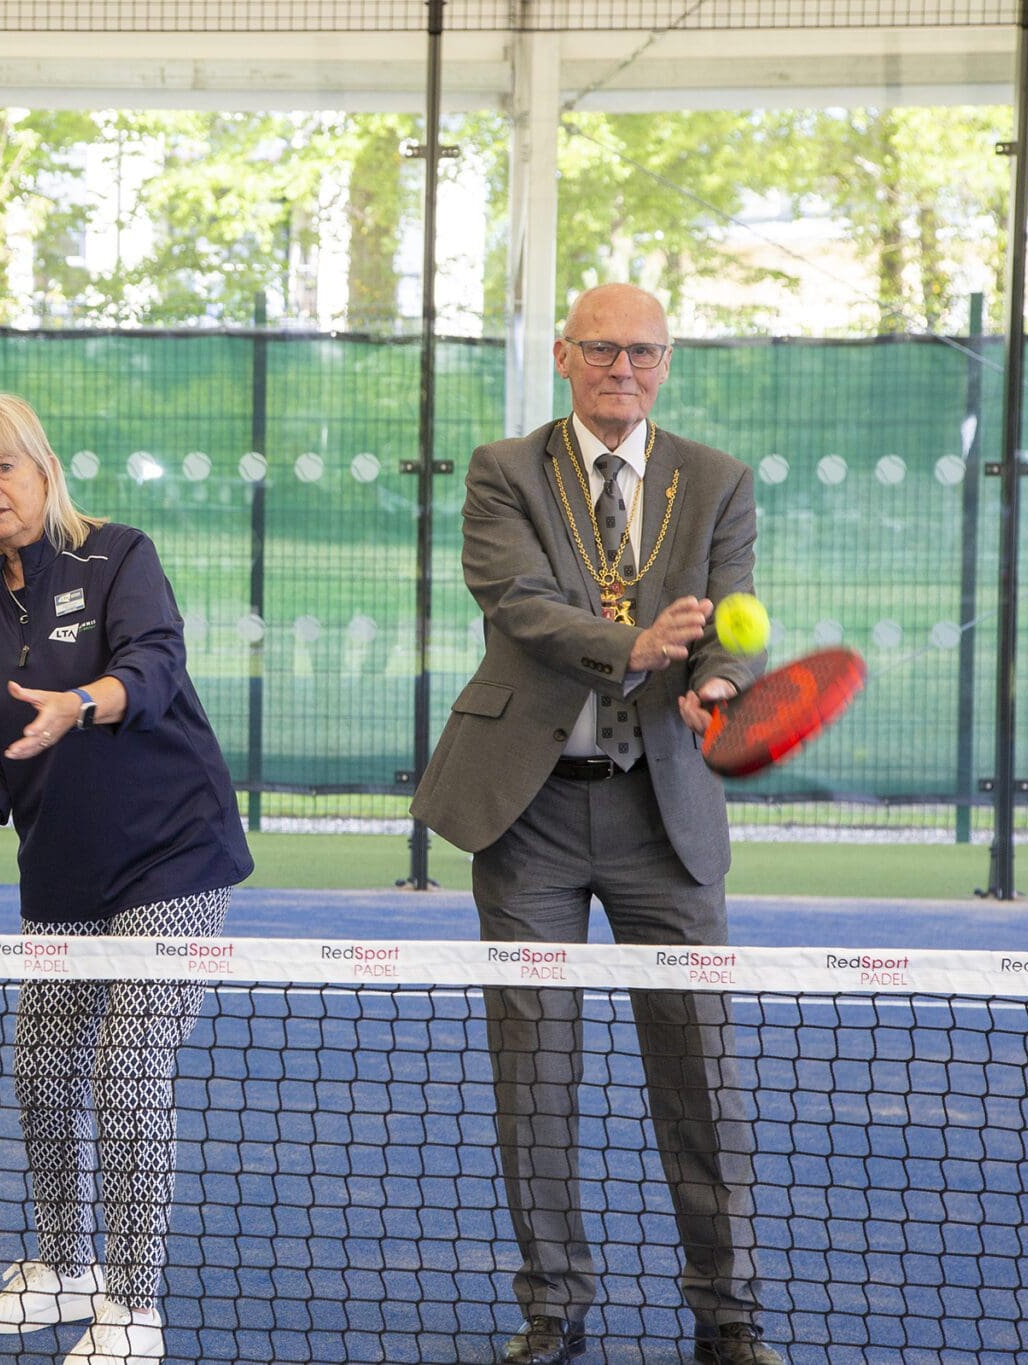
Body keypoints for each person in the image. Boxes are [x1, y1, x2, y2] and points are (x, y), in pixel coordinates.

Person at [411, 284, 781, 1365]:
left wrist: (714, 682)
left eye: (646, 352)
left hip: (660, 815)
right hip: (522, 812)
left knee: (701, 1073)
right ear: (565, 357)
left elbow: (730, 617)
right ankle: (552, 1309)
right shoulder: (503, 470)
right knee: (533, 1077)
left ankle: (728, 1317)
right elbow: (517, 602)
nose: (626, 368)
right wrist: (633, 645)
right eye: (605, 350)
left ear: (666, 362)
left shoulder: (714, 479)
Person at [0, 392, 252, 1365]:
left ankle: (131, 1304)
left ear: (43, 468)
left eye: (5, 466)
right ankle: (64, 1266)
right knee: (39, 1072)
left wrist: (82, 701)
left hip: (175, 855)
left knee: (126, 1072)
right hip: (61, 878)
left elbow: (153, 666)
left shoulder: (118, 556)